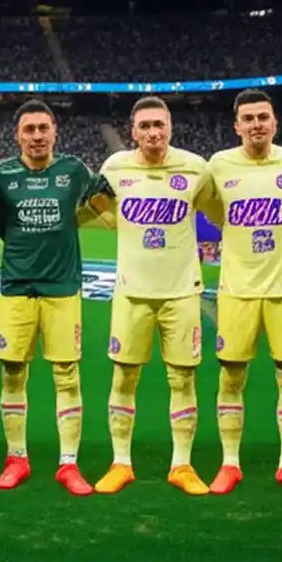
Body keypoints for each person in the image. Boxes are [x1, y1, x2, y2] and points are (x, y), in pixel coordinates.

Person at [90, 96, 215, 495]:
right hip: (132, 293)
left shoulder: (195, 167)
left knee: (183, 379)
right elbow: (100, 209)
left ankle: (182, 465)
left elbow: (214, 209)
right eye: (144, 126)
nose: (152, 132)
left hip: (181, 293)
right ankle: (121, 463)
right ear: (133, 132)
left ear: (170, 127)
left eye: (159, 124)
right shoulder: (115, 168)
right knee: (123, 377)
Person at [205, 88, 282, 496]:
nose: (256, 124)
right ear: (236, 125)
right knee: (230, 377)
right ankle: (230, 463)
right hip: (237, 289)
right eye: (248, 118)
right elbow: (215, 211)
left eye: (263, 117)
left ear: (275, 123)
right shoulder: (219, 165)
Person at [0, 100, 98, 496]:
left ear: (55, 132)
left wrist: (72, 223)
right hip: (16, 286)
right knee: (13, 372)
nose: (36, 136)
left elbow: (103, 199)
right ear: (17, 135)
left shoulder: (74, 170)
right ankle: (17, 457)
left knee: (67, 374)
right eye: (29, 129)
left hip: (63, 287)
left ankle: (69, 463)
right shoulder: (1, 174)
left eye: (43, 128)